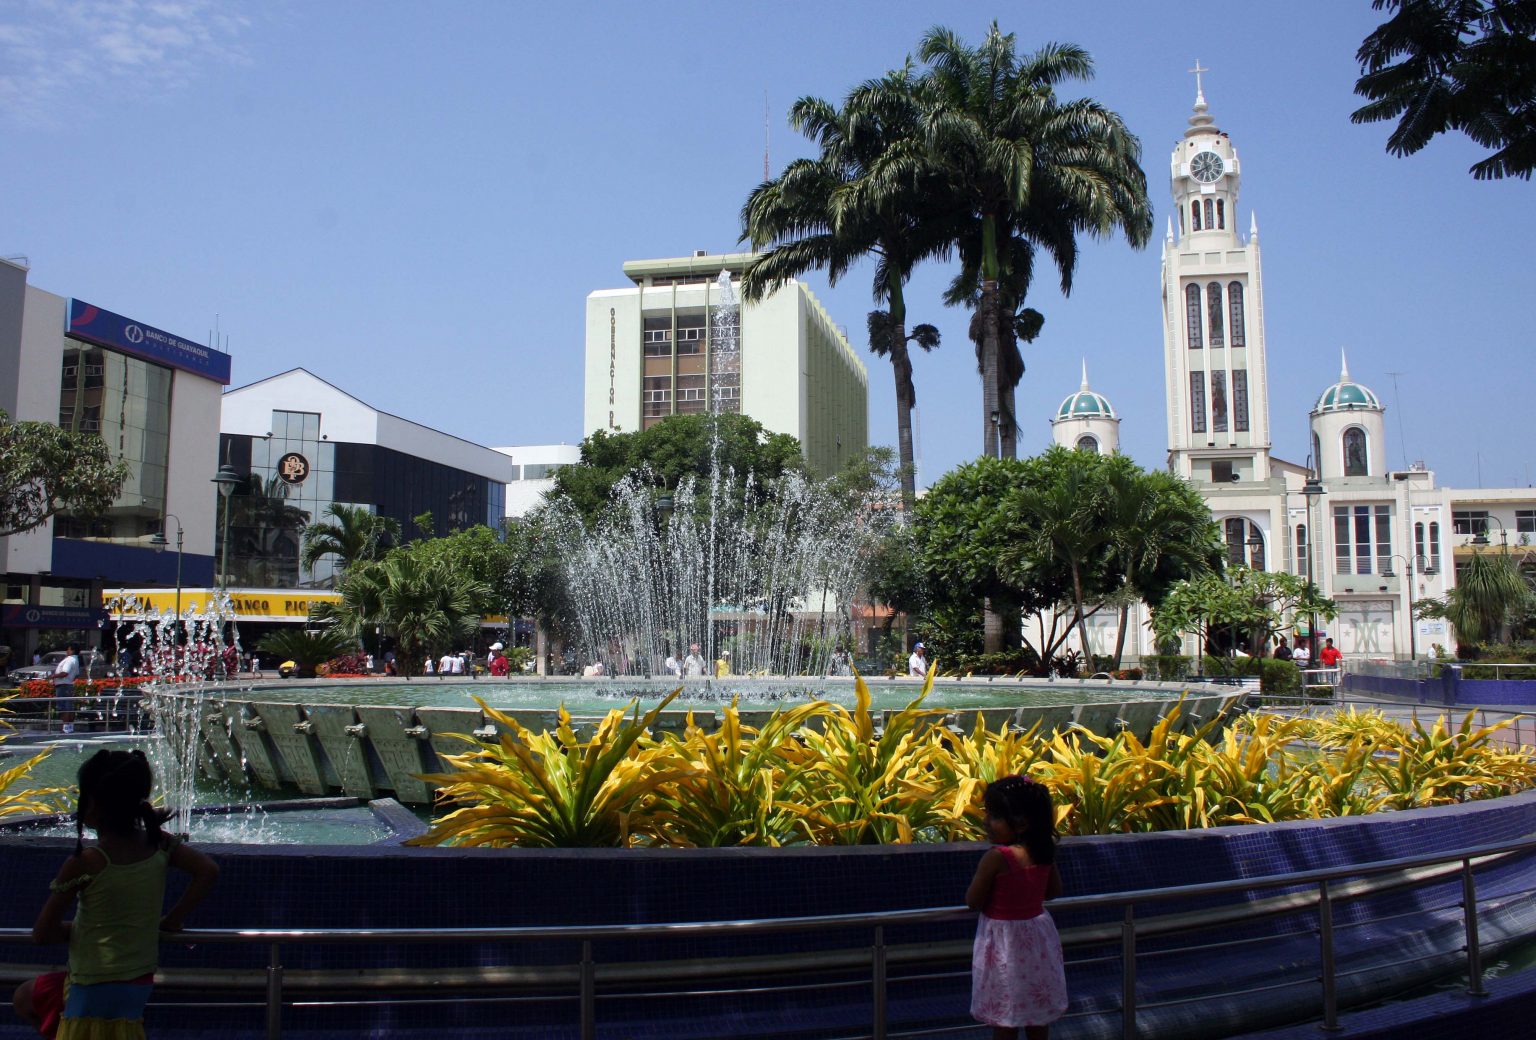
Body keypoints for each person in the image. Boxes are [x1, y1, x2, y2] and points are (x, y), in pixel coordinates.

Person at [13, 749, 219, 1040]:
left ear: (93, 804)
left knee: (27, 999)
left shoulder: (85, 862)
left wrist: (79, 930)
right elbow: (208, 870)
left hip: (90, 983)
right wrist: (172, 920)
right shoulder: (159, 844)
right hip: (137, 981)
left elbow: (41, 934)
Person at [966, 775, 1069, 1039]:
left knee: (1005, 1018)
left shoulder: (997, 858)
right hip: (1038, 944)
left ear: (1021, 823)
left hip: (1005, 947)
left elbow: (973, 901)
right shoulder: (1043, 851)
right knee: (1038, 1016)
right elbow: (1054, 891)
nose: (986, 821)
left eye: (994, 816)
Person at [52, 645, 81, 736]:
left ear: (72, 650)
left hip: (63, 685)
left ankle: (65, 728)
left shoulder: (69, 660)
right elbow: (76, 674)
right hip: (68, 684)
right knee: (69, 706)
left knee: (64, 707)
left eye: (68, 649)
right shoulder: (75, 660)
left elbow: (65, 672)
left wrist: (53, 676)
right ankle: (69, 727)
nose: (67, 650)